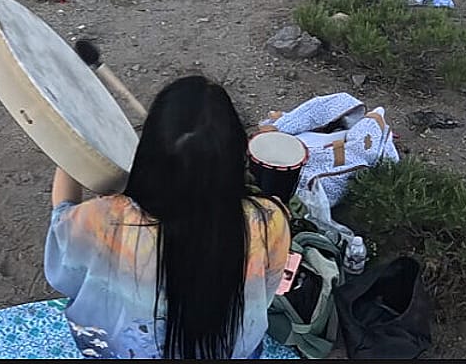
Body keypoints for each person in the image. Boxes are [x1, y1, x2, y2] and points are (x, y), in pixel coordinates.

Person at [45, 75, 290, 359]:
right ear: (237, 152)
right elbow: (266, 292)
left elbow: (62, 260)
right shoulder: (270, 220)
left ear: (148, 150)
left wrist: (70, 145)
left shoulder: (103, 219)